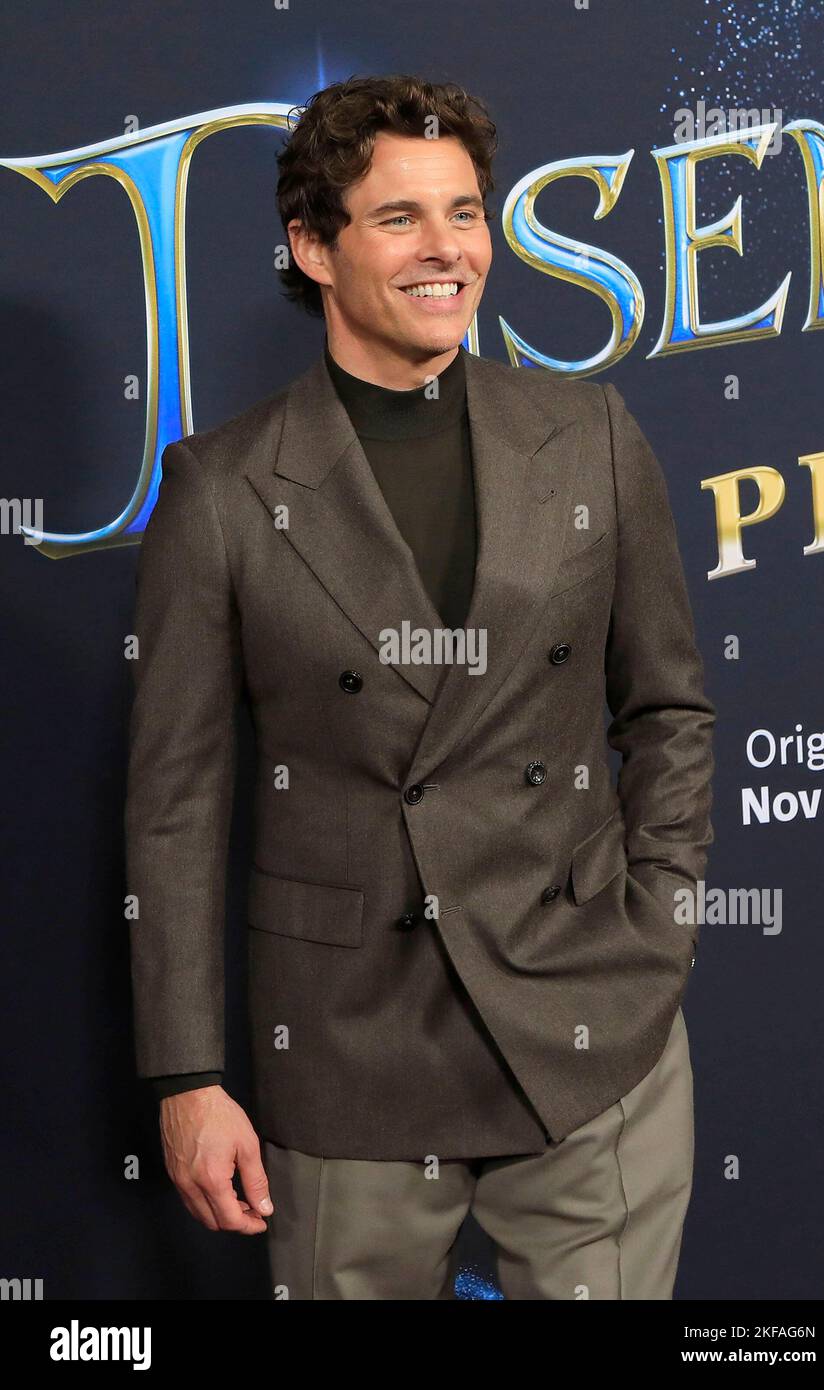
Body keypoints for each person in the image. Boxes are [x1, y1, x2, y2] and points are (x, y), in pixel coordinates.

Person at [125, 73, 715, 1300]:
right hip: (347, 1052)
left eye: (464, 212)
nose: (446, 249)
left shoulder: (589, 433)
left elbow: (664, 710)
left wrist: (654, 929)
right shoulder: (224, 489)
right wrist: (187, 1076)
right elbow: (176, 802)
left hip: (587, 1035)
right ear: (311, 247)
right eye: (398, 218)